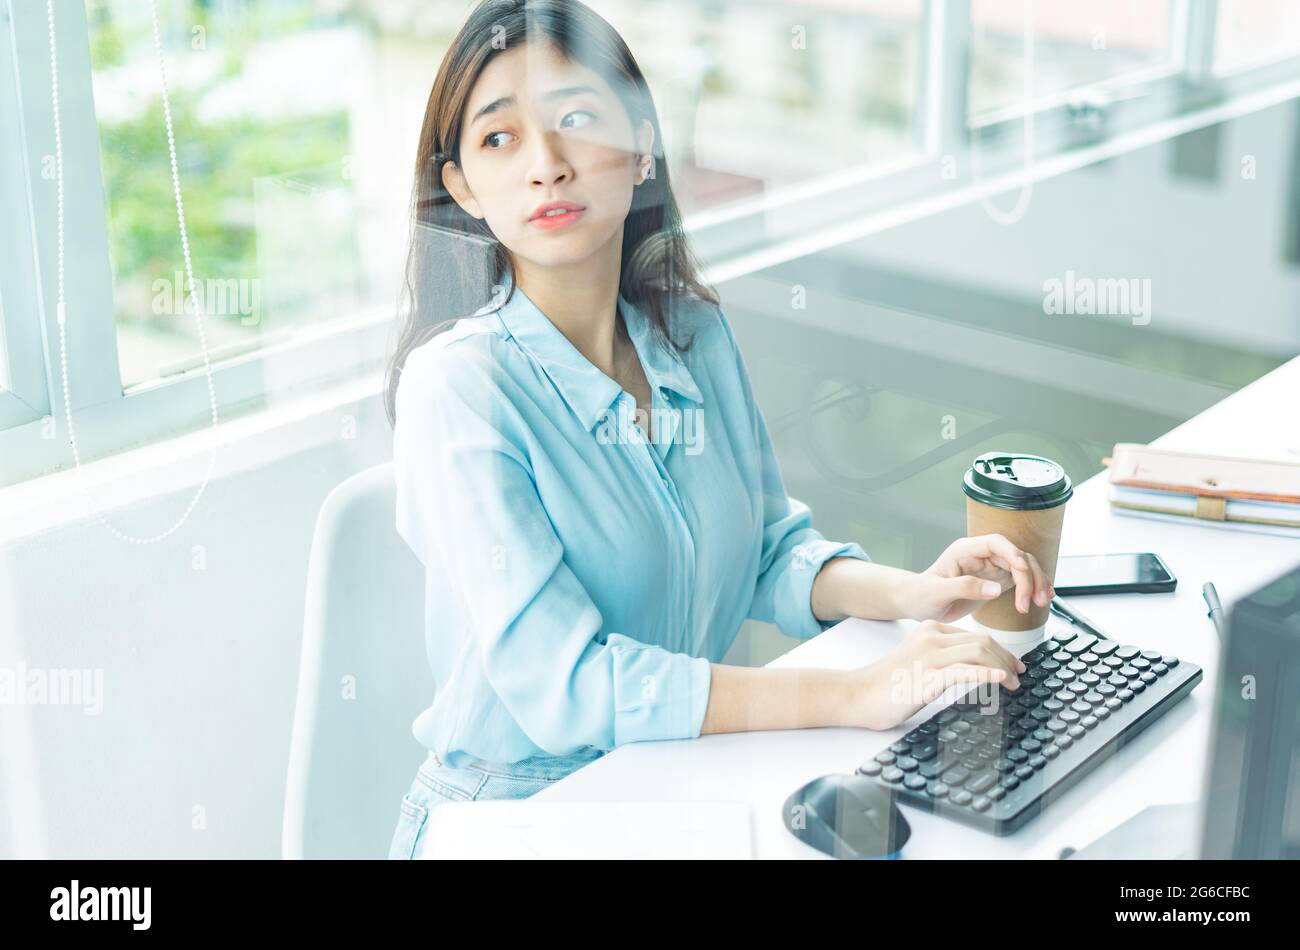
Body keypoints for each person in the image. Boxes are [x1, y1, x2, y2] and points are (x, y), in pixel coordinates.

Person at [382, 0, 1048, 860]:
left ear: (643, 147)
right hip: (521, 821)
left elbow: (767, 547)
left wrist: (913, 594)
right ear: (463, 188)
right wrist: (852, 694)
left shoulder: (691, 336)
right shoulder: (460, 389)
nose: (546, 165)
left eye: (577, 119)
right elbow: (571, 688)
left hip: (679, 783)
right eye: (499, 138)